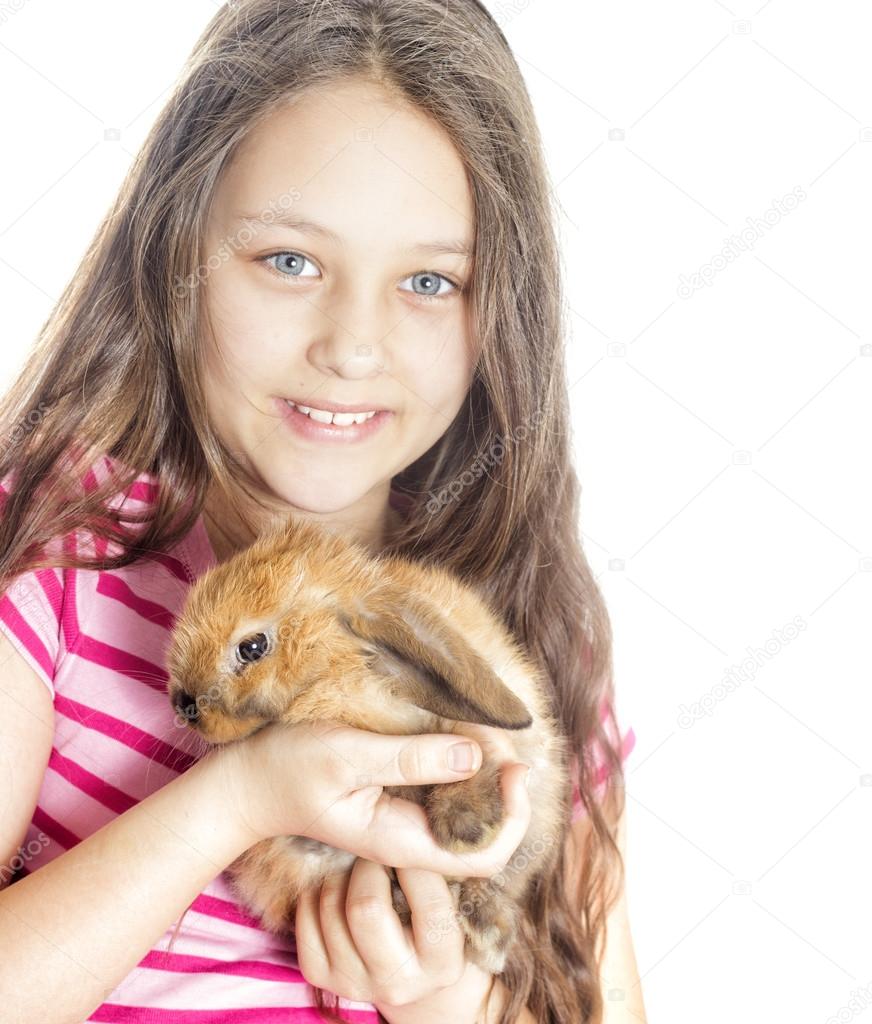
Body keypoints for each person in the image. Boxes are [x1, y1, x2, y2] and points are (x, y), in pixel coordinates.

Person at [0, 1, 643, 1022]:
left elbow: (593, 1001)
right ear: (179, 251)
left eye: (429, 280)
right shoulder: (50, 545)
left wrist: (442, 996)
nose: (350, 346)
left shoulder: (533, 625)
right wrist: (238, 799)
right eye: (290, 261)